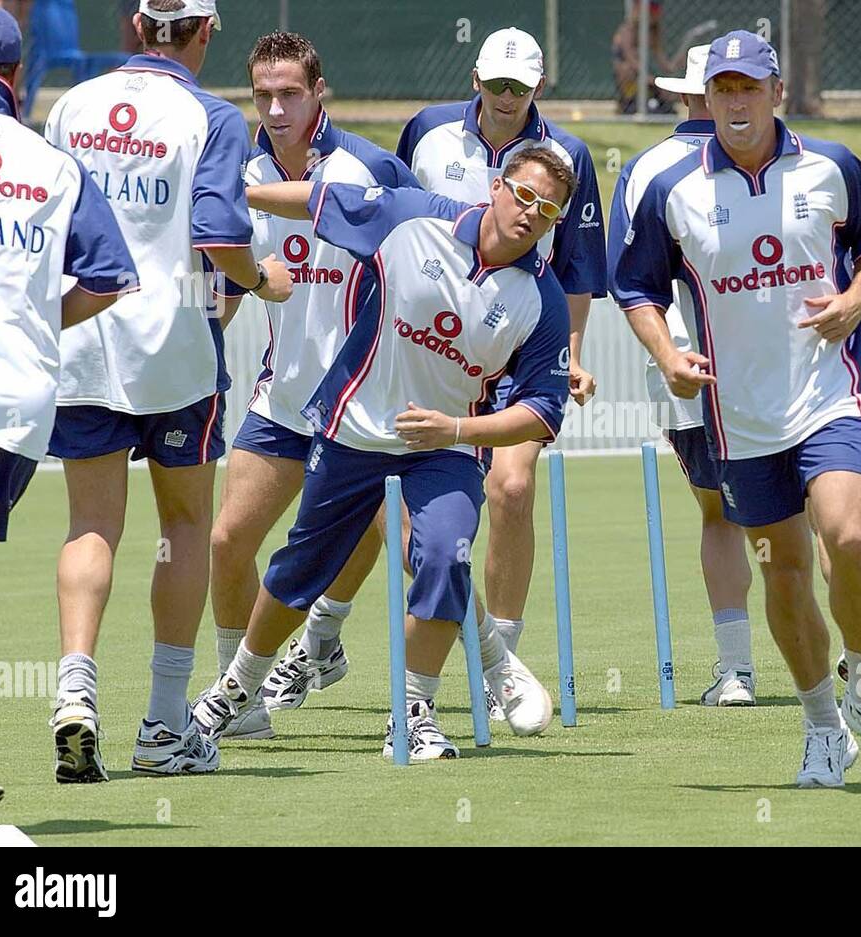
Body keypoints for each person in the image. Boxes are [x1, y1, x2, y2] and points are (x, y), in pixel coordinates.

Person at [191, 147, 575, 761]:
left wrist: (455, 430)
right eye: (524, 196)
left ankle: (414, 712)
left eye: (548, 210)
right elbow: (319, 202)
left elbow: (542, 413)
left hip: (442, 451)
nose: (530, 214)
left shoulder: (541, 300)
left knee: (446, 557)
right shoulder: (415, 216)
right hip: (352, 432)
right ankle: (234, 690)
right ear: (499, 188)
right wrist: (231, 199)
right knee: (299, 568)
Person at [611, 31, 861, 789]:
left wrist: (855, 298)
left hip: (832, 393)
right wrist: (665, 355)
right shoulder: (670, 188)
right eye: (723, 90)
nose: (735, 102)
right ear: (704, 98)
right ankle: (822, 725)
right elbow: (637, 286)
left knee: (846, 533)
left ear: (777, 92)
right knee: (783, 570)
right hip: (736, 416)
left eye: (749, 88)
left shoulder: (833, 164)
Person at [43, 0, 292, 781]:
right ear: (204, 31)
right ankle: (161, 725)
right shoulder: (210, 116)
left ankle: (75, 689)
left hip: (82, 341)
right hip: (175, 353)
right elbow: (220, 234)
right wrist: (265, 280)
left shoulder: (71, 107)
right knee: (184, 524)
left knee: (91, 523)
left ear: (137, 24)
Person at [207, 31, 421, 740]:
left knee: (417, 550)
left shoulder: (368, 165)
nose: (274, 107)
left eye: (289, 92)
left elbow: (426, 260)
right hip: (283, 402)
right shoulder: (235, 171)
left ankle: (418, 706)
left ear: (318, 89)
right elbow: (224, 285)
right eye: (263, 94)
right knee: (227, 540)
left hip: (367, 405)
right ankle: (239, 702)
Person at [395, 26, 605, 719]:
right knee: (416, 541)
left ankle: (499, 663)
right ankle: (491, 649)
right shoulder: (425, 131)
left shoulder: (567, 154)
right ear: (475, 79)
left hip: (523, 345)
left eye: (520, 86)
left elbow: (575, 267)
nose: (507, 97)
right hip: (436, 350)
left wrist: (570, 350)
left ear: (540, 88)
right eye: (496, 84)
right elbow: (396, 226)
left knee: (511, 486)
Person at [0, 4, 136, 819]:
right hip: (22, 405)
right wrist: (38, 316)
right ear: (15, 77)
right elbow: (108, 275)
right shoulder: (53, 165)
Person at [608, 46, 758, 706]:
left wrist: (668, 355)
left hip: (683, 368)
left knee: (721, 512)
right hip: (768, 363)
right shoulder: (787, 154)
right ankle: (847, 651)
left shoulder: (643, 170)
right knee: (801, 509)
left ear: (679, 96)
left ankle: (738, 670)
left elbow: (629, 284)